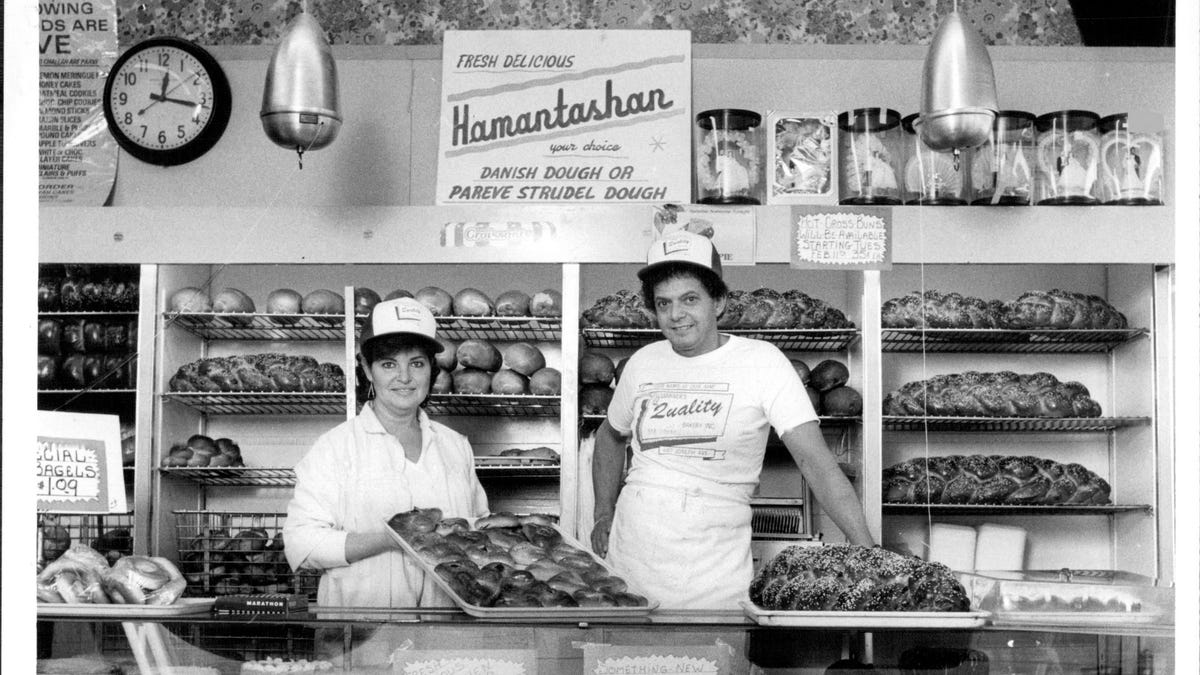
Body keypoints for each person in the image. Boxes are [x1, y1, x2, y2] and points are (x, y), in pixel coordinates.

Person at [590, 231, 875, 610]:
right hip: (631, 559)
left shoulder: (762, 362)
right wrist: (603, 513)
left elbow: (817, 464)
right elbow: (610, 436)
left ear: (719, 301)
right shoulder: (643, 363)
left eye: (690, 299)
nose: (676, 315)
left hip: (714, 568)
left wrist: (867, 552)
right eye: (663, 303)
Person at [284, 297, 488, 608]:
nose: (404, 377)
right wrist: (389, 540)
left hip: (448, 628)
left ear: (431, 369)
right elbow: (302, 544)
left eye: (416, 363)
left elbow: (479, 534)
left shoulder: (455, 446)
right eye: (388, 364)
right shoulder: (335, 448)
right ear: (368, 370)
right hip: (361, 629)